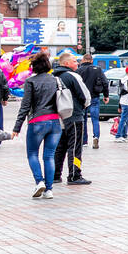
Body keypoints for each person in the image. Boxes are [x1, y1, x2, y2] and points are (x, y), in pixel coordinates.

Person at [11, 54, 63, 199]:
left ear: (33, 66)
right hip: (55, 122)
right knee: (49, 156)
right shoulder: (56, 80)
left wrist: (17, 127)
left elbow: (25, 106)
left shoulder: (30, 82)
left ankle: (39, 181)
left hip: (37, 122)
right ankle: (49, 189)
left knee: (33, 154)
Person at [51, 51, 93, 186]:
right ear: (67, 63)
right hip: (74, 116)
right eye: (75, 61)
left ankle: (55, 174)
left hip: (58, 117)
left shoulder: (53, 76)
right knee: (75, 146)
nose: (77, 63)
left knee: (59, 146)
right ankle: (75, 174)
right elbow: (85, 96)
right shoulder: (73, 76)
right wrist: (82, 107)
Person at [76, 53, 109, 149]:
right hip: (94, 97)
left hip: (82, 99)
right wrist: (106, 95)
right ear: (91, 60)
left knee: (83, 119)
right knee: (95, 119)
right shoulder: (97, 69)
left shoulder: (78, 70)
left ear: (82, 60)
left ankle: (84, 140)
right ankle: (96, 136)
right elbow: (105, 82)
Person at [114, 75, 128, 142]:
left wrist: (119, 106)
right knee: (124, 120)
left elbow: (120, 93)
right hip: (127, 102)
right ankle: (118, 135)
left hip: (122, 101)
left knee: (125, 119)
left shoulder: (122, 80)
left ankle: (124, 135)